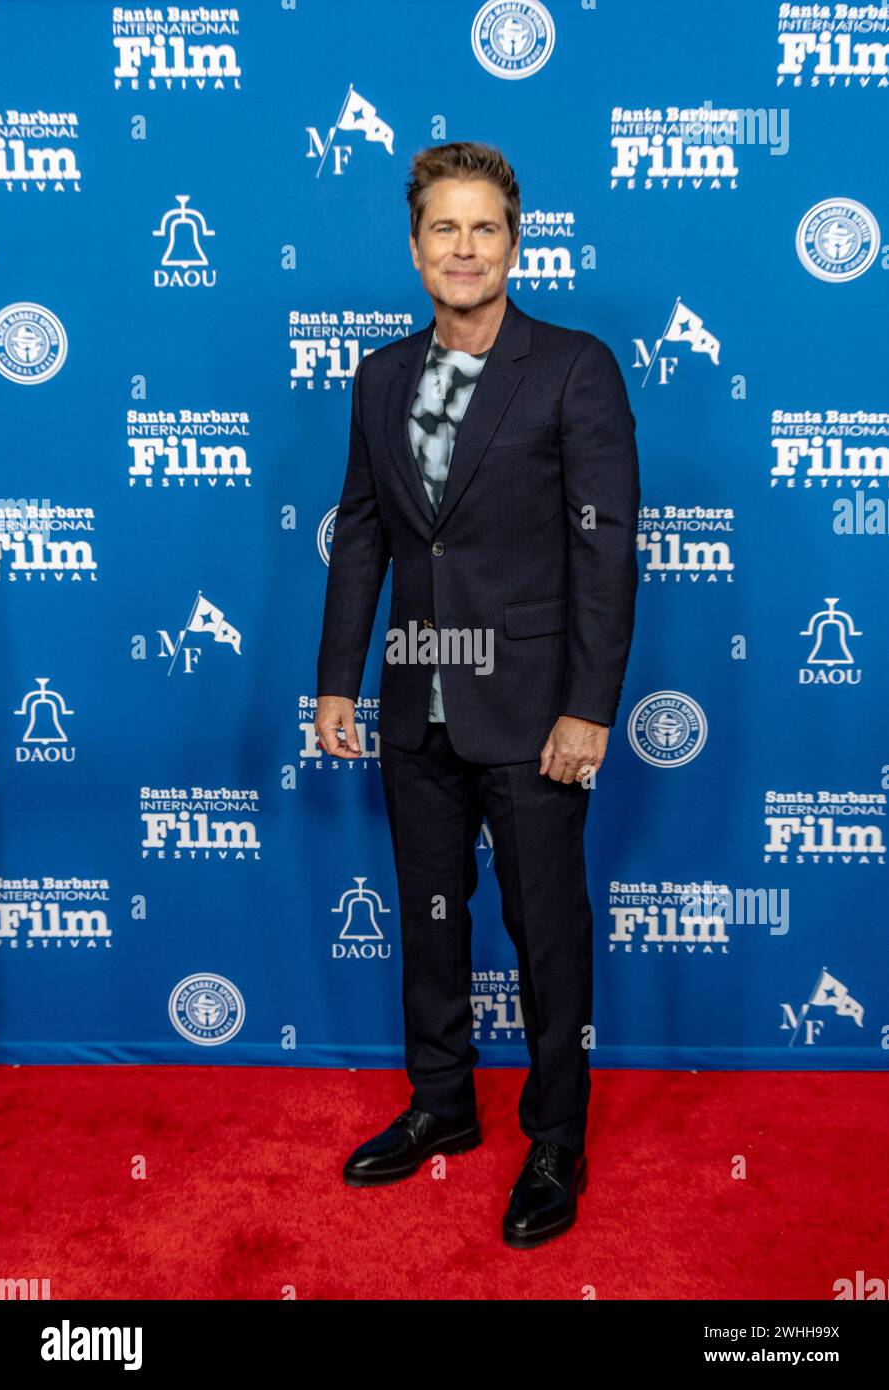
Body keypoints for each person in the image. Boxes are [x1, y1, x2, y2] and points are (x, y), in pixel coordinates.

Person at [315, 141, 640, 1249]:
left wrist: (588, 707)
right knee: (431, 917)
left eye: (484, 227)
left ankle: (555, 1135)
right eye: (443, 229)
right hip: (416, 703)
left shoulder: (572, 367)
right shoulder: (379, 379)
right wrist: (337, 683)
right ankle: (443, 1105)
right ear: (414, 250)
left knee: (546, 929)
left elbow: (605, 552)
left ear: (516, 240)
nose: (463, 248)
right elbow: (363, 535)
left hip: (536, 711)